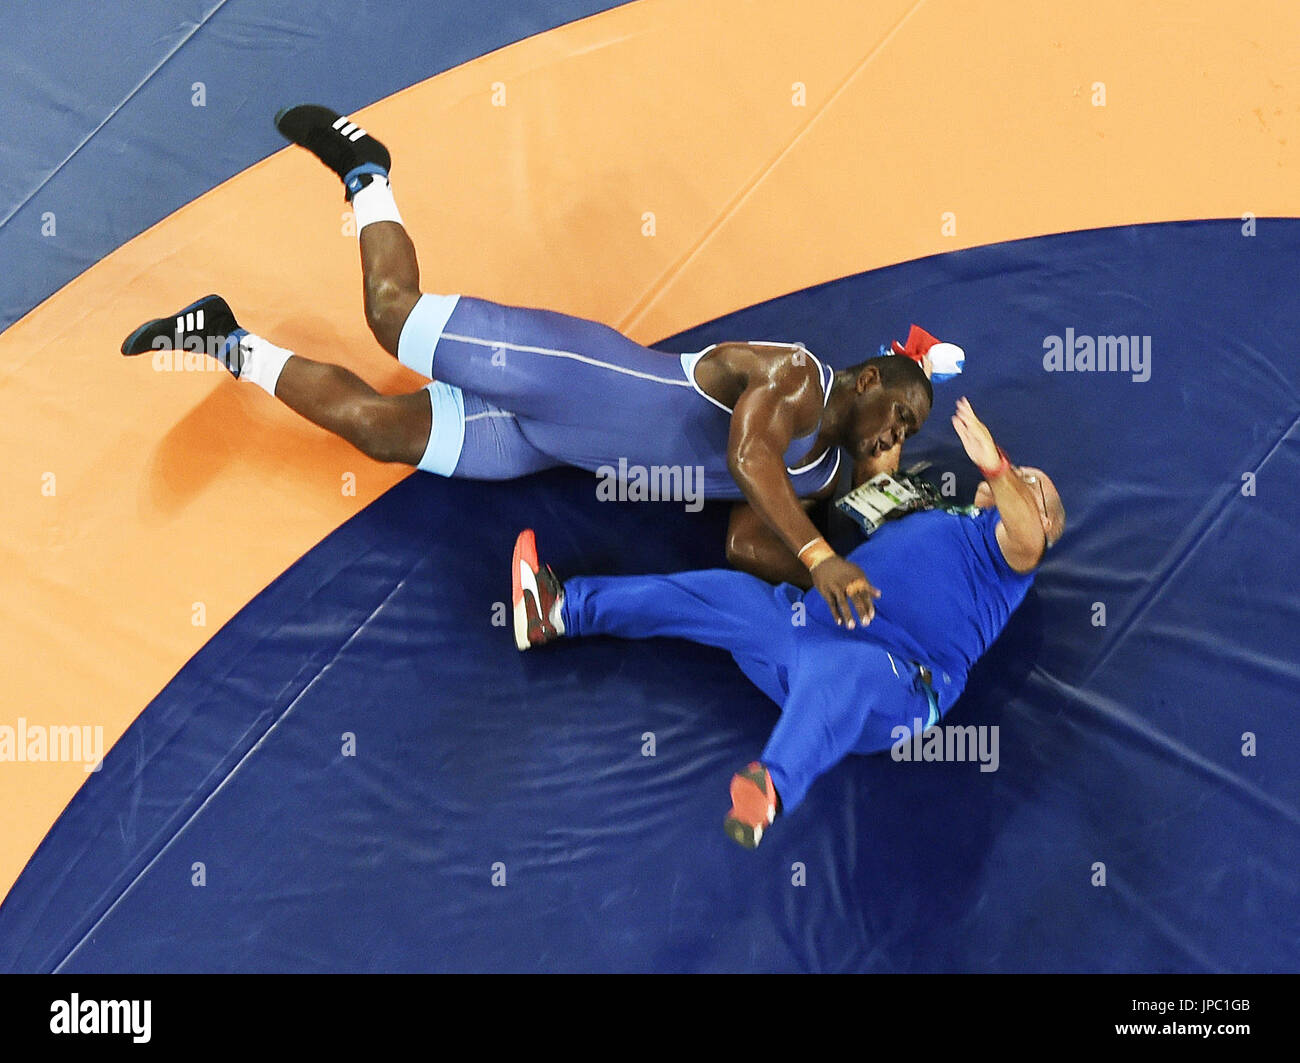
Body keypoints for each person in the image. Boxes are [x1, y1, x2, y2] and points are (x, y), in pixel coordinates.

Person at [120, 104, 935, 624]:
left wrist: (855, 544)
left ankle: (226, 339)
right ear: (868, 382)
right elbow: (747, 456)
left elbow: (746, 545)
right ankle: (367, 170)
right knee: (392, 316)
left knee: (377, 430)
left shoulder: (825, 473)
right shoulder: (797, 374)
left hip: (545, 443)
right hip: (565, 372)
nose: (898, 431)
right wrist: (824, 557)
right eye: (901, 414)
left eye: (909, 430)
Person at [511, 397, 1065, 848]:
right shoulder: (940, 514)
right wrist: (890, 407)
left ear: (1036, 517)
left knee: (845, 670)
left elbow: (1028, 537)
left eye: (1029, 485)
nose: (1017, 478)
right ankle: (557, 610)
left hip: (894, 682)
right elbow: (874, 486)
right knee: (717, 593)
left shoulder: (1010, 564)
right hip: (801, 631)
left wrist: (995, 465)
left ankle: (772, 787)